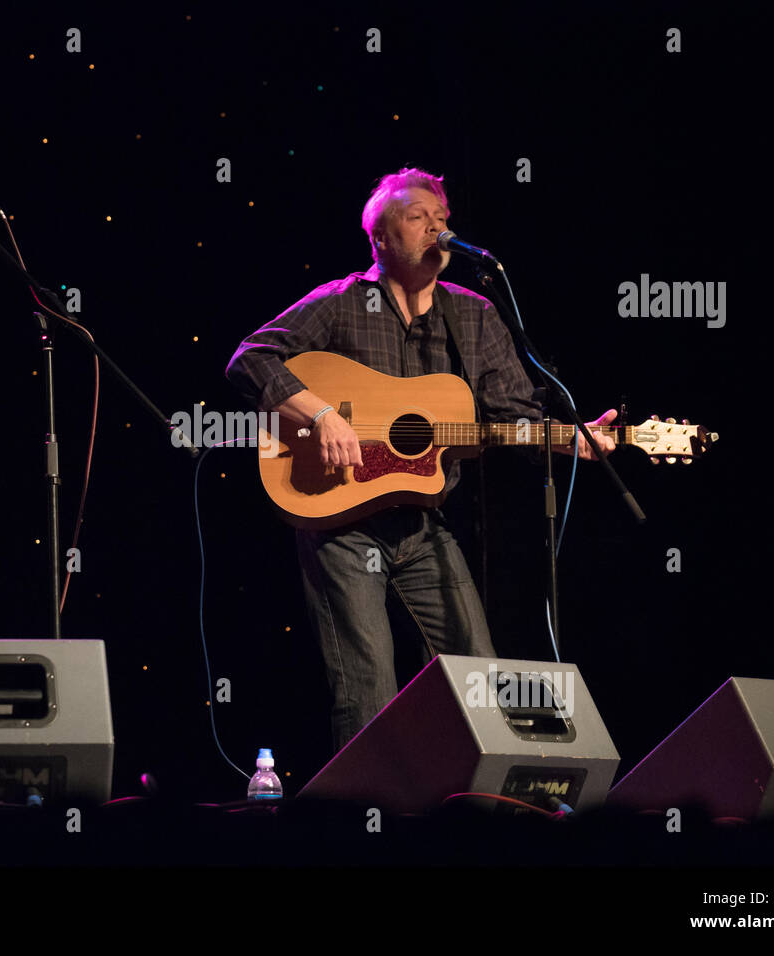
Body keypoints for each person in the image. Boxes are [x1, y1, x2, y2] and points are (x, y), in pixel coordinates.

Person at [225, 167, 617, 753]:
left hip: (424, 525)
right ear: (380, 238)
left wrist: (567, 438)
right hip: (341, 524)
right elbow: (249, 357)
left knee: (479, 675)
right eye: (417, 218)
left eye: (442, 219)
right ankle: (365, 821)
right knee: (368, 685)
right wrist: (321, 415)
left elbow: (511, 412)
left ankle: (479, 814)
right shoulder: (339, 303)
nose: (437, 227)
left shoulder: (476, 314)